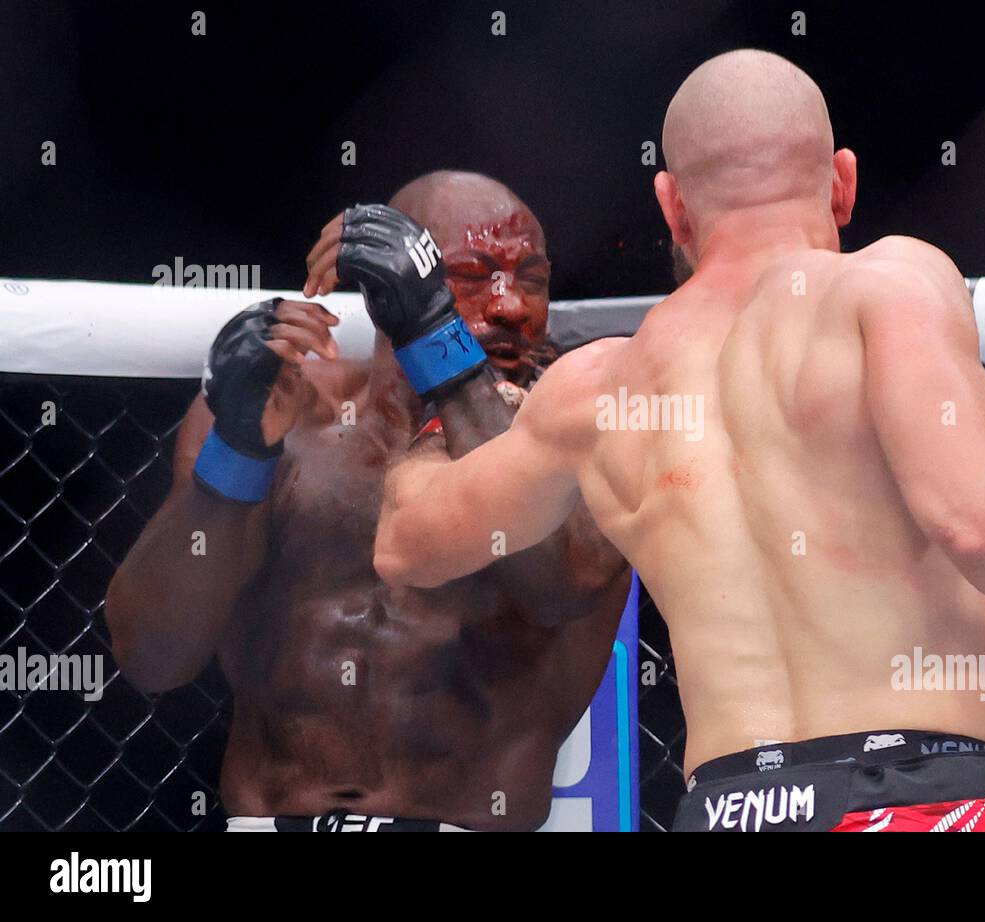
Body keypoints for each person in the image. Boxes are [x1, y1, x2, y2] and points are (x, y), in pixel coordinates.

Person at [367, 51, 985, 832]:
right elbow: (983, 519)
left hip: (726, 808)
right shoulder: (885, 288)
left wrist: (435, 348)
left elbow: (411, 543)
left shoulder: (599, 389)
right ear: (842, 182)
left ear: (672, 206)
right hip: (923, 796)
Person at [106, 171, 630, 832]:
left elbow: (562, 582)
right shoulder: (294, 415)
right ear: (382, 296)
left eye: (531, 277)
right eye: (469, 275)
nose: (511, 306)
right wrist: (235, 456)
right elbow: (153, 657)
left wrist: (437, 334)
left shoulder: (574, 431)